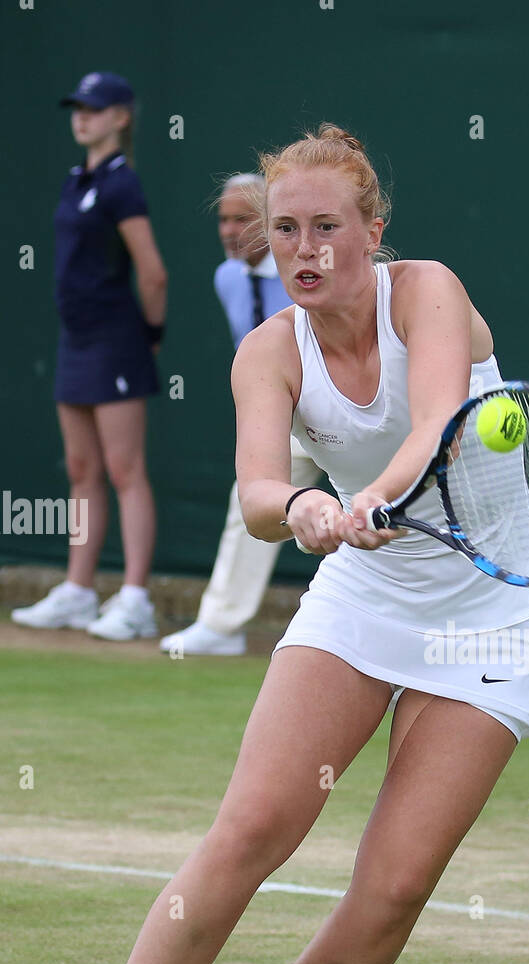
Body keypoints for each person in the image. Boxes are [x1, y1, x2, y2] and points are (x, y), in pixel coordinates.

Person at [23, 125, 529, 964]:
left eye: (325, 228)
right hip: (366, 592)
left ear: (372, 232)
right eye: (283, 233)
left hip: (487, 607)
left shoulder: (428, 292)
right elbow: (258, 490)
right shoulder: (268, 351)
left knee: (395, 882)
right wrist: (305, 507)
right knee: (253, 824)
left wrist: (366, 493)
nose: (302, 250)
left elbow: (439, 419)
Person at [12, 71, 167, 641]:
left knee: (126, 470)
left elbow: (152, 272)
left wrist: (151, 333)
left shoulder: (124, 185)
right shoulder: (75, 180)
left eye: (95, 108)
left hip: (116, 340)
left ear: (121, 117)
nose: (83, 117)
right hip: (75, 340)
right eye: (77, 107)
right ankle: (78, 591)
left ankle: (135, 598)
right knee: (82, 471)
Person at [159, 174, 321, 657]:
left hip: (341, 407)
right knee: (250, 501)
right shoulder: (227, 276)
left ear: (272, 224)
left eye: (243, 219)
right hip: (286, 413)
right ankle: (221, 626)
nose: (230, 231)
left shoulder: (304, 269)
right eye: (223, 220)